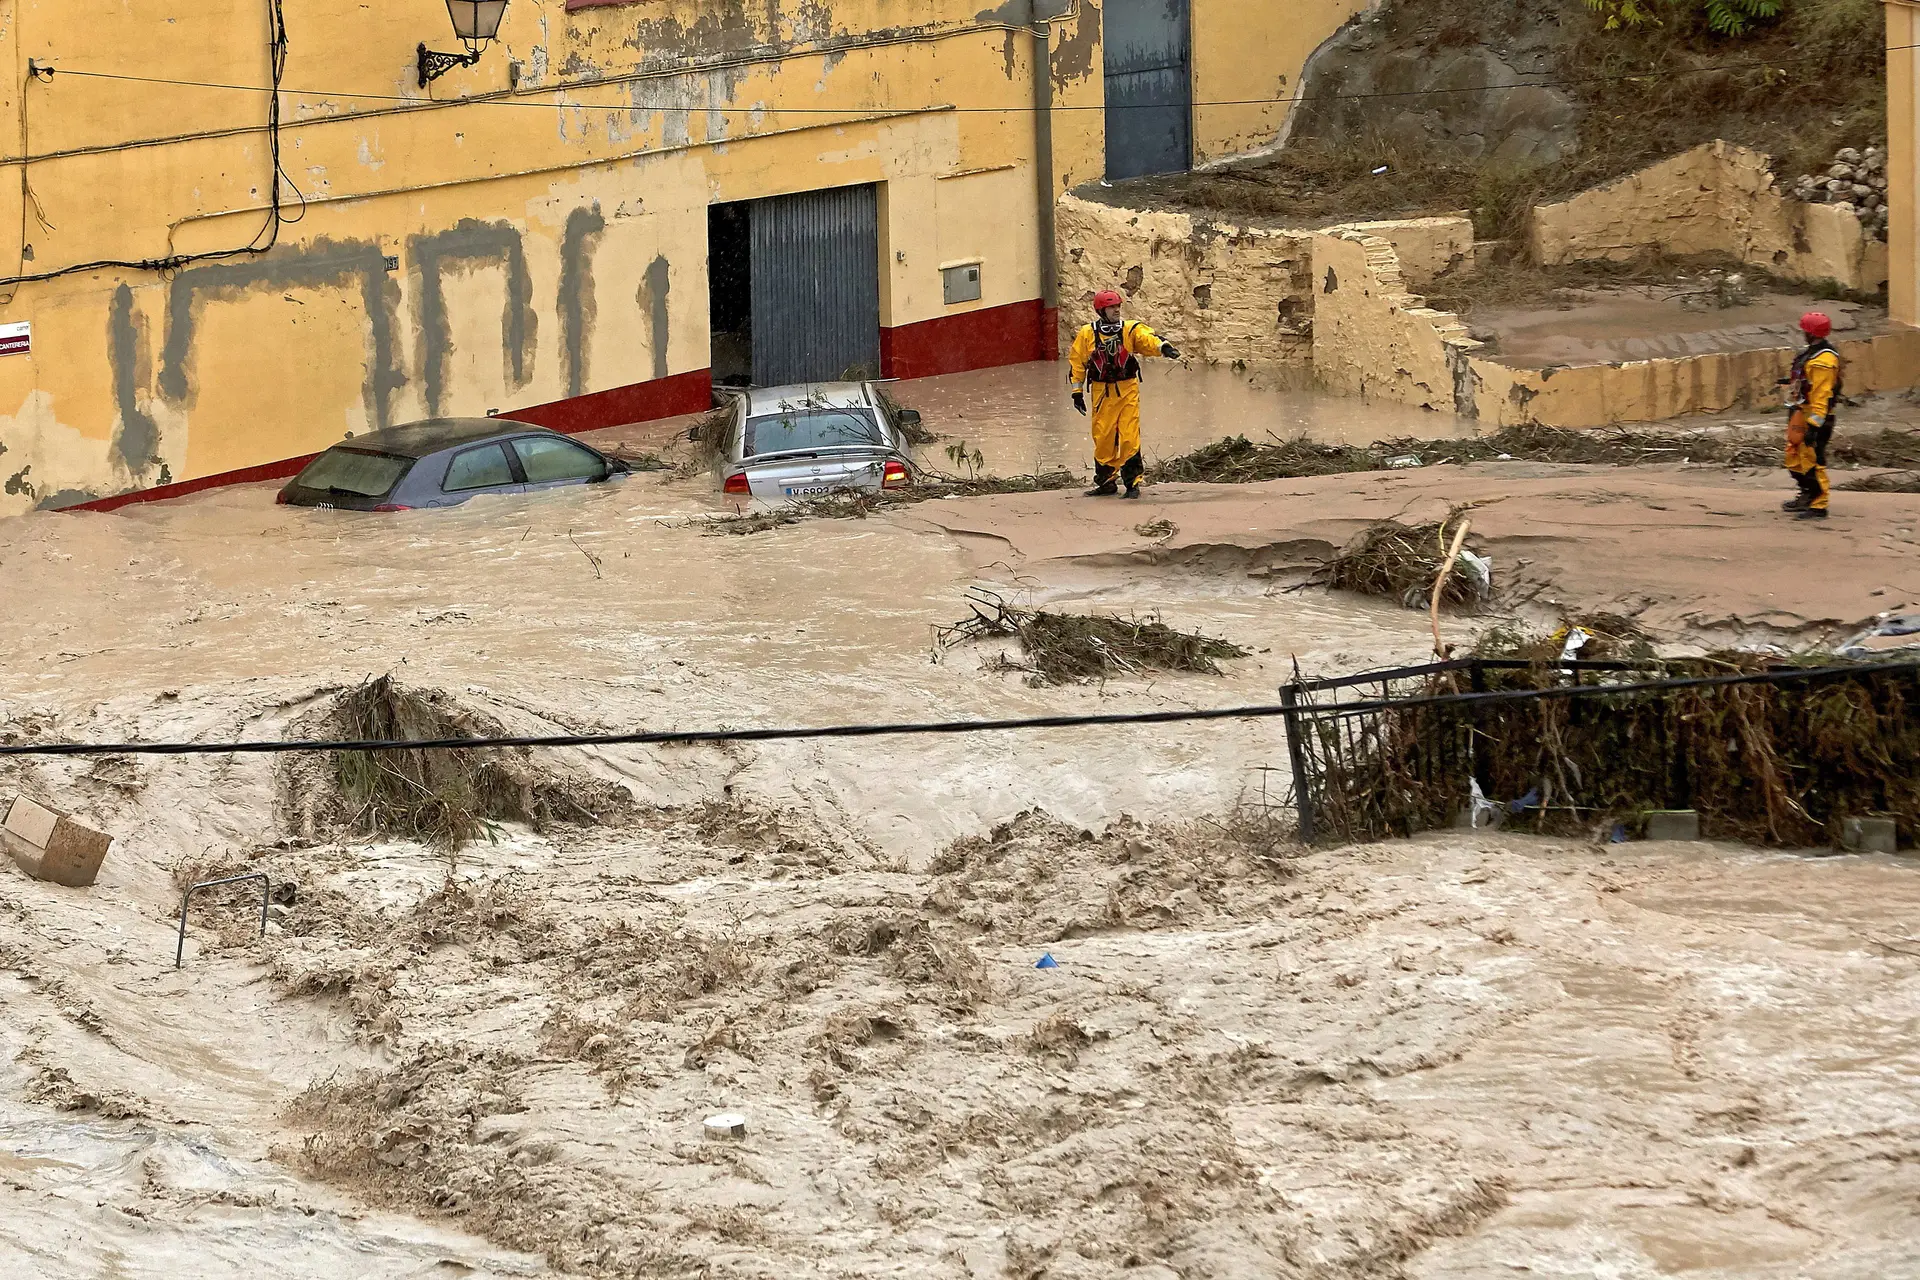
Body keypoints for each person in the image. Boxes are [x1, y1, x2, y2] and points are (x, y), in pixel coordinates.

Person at [1068, 289, 1181, 499]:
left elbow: (1148, 339)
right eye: (1112, 307)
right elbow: (1078, 362)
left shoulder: (1129, 330)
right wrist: (1077, 392)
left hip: (1127, 388)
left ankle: (1132, 484)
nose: (1117, 310)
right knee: (1103, 437)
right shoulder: (1087, 334)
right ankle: (1106, 482)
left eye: (1118, 306)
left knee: (1129, 436)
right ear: (1101, 310)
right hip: (1102, 392)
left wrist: (1164, 348)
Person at [1781, 311, 1842, 521]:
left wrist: (1814, 426)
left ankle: (1819, 505)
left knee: (1813, 460)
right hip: (1800, 411)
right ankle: (1807, 494)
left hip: (1814, 416)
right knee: (1793, 457)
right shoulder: (1812, 353)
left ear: (1810, 332)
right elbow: (1807, 381)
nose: (1802, 333)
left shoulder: (1823, 360)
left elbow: (1822, 395)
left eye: (1804, 330)